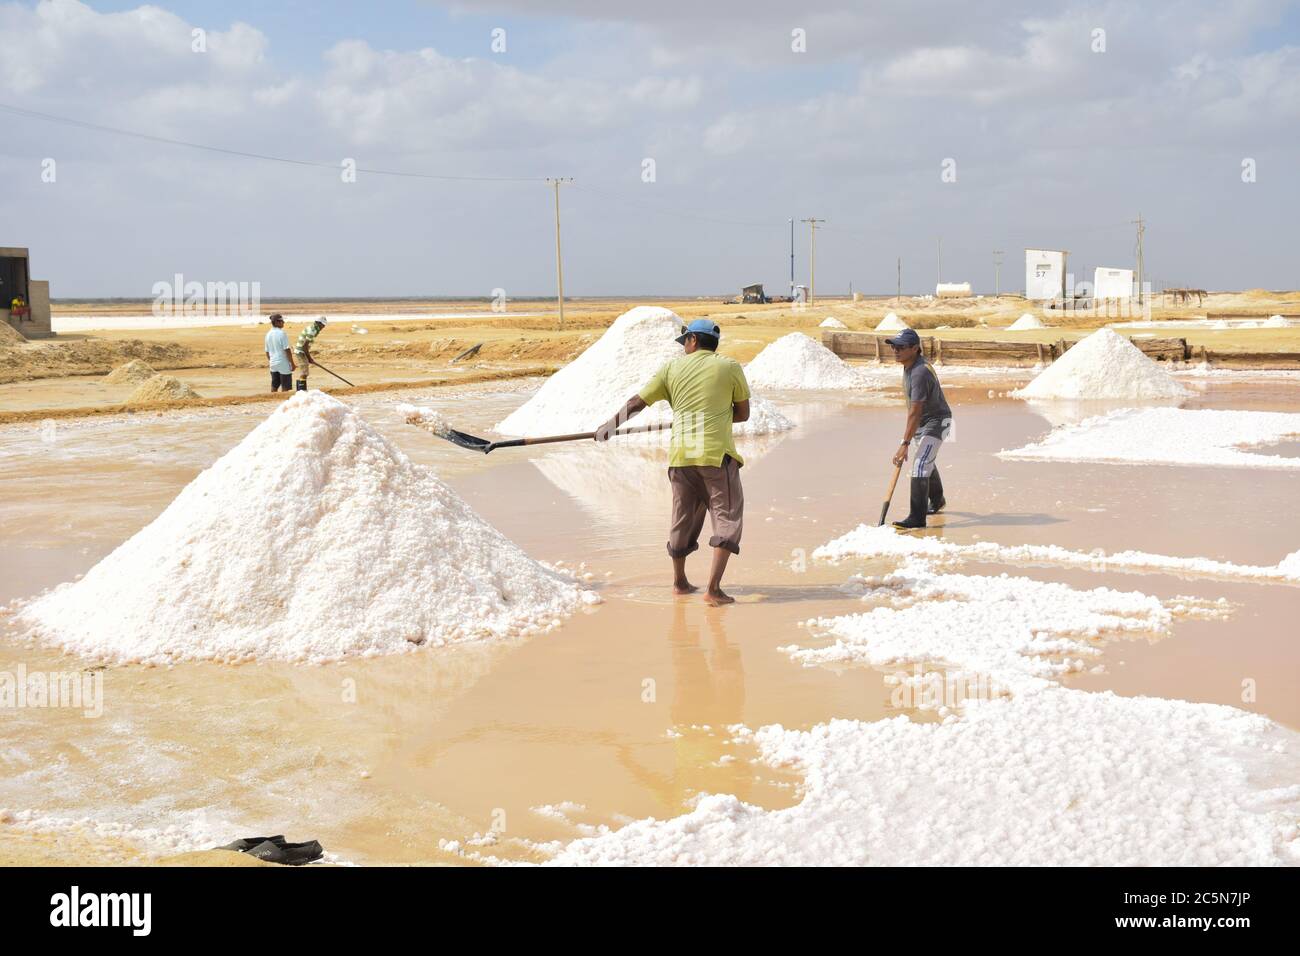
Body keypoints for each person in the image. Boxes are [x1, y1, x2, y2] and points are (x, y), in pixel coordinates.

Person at [596, 319, 750, 606]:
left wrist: (609, 427)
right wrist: (717, 414)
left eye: (684, 343)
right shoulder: (729, 367)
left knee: (683, 518)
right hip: (715, 455)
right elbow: (743, 414)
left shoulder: (671, 369)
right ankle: (713, 589)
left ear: (692, 340)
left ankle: (679, 583)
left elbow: (636, 403)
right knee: (727, 517)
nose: (683, 349)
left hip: (681, 456)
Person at [885, 327, 951, 529]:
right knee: (925, 459)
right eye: (894, 346)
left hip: (937, 422)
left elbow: (915, 410)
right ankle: (937, 499)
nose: (896, 350)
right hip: (922, 423)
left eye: (901, 347)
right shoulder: (909, 365)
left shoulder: (919, 372)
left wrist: (904, 443)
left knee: (920, 465)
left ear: (915, 348)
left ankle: (917, 517)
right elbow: (915, 413)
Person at [292, 316, 328, 391]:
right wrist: (309, 358)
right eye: (323, 325)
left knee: (304, 372)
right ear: (318, 323)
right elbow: (304, 346)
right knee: (304, 372)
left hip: (302, 351)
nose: (323, 327)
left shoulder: (313, 328)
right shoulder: (312, 330)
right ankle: (301, 391)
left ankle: (301, 390)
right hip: (301, 352)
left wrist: (308, 358)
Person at [264, 314, 295, 393]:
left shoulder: (268, 334)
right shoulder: (282, 333)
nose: (283, 322)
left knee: (274, 386)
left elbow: (267, 351)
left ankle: (271, 402)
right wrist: (292, 363)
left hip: (273, 363)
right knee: (286, 387)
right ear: (277, 322)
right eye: (282, 321)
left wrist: (271, 361)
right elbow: (287, 349)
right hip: (283, 363)